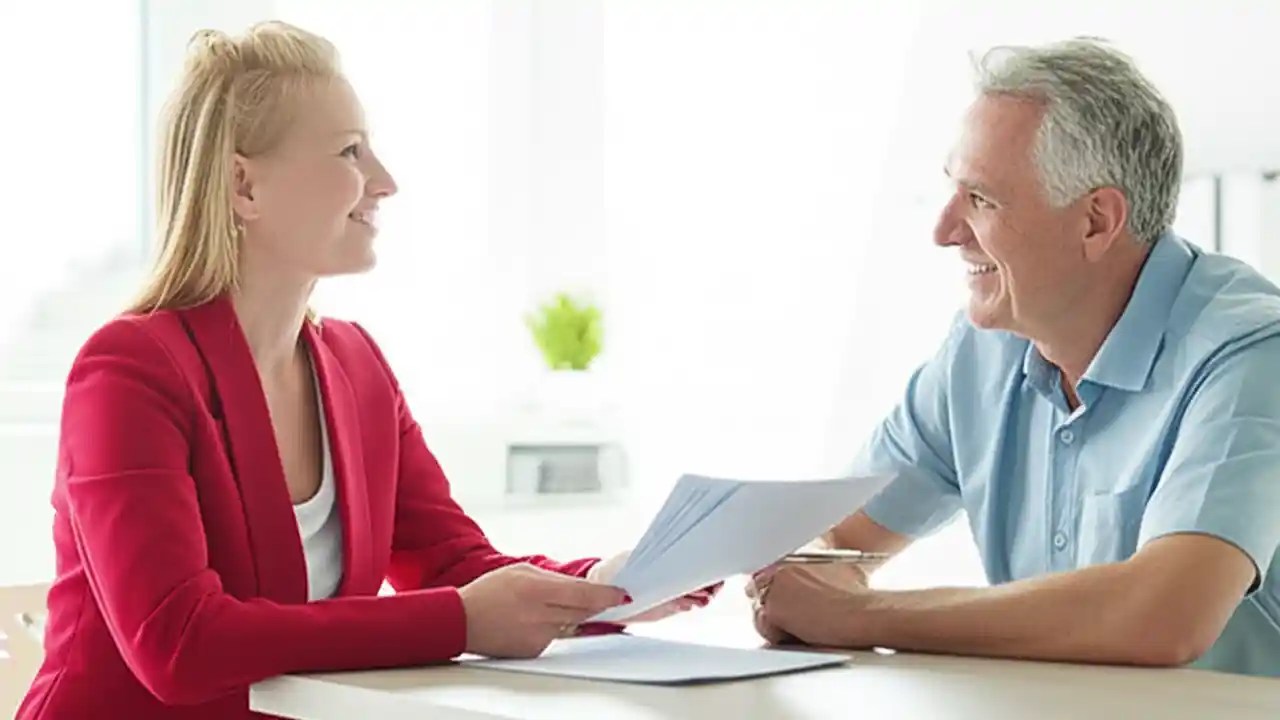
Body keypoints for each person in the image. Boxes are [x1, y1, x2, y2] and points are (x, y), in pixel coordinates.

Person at [18, 21, 714, 719]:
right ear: (242, 186)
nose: (385, 181)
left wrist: (608, 584)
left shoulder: (356, 366)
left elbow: (451, 565)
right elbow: (179, 644)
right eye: (351, 151)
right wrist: (459, 622)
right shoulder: (129, 372)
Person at [750, 38, 1280, 677]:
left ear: (1096, 221)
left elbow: (1166, 614)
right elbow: (837, 543)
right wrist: (796, 580)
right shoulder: (983, 351)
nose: (944, 230)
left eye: (981, 200)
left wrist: (861, 616)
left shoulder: (1250, 352)